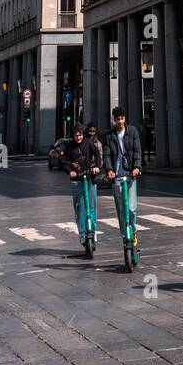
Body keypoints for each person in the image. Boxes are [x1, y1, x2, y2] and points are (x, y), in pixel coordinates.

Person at [104, 105, 143, 246]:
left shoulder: (132, 132)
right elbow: (107, 155)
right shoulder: (110, 136)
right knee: (121, 208)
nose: (120, 121)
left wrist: (137, 167)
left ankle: (133, 232)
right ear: (114, 120)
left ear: (124, 118)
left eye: (122, 118)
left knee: (131, 208)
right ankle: (124, 236)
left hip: (130, 174)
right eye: (117, 119)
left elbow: (137, 151)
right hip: (117, 176)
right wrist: (109, 170)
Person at [65, 122, 103, 254]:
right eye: (76, 135)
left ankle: (93, 231)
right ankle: (82, 235)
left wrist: (97, 167)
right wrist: (70, 171)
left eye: (80, 135)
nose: (78, 138)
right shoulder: (69, 146)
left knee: (92, 206)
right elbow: (64, 162)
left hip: (89, 178)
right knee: (79, 208)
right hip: (77, 180)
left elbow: (97, 155)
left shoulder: (88, 143)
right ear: (73, 136)